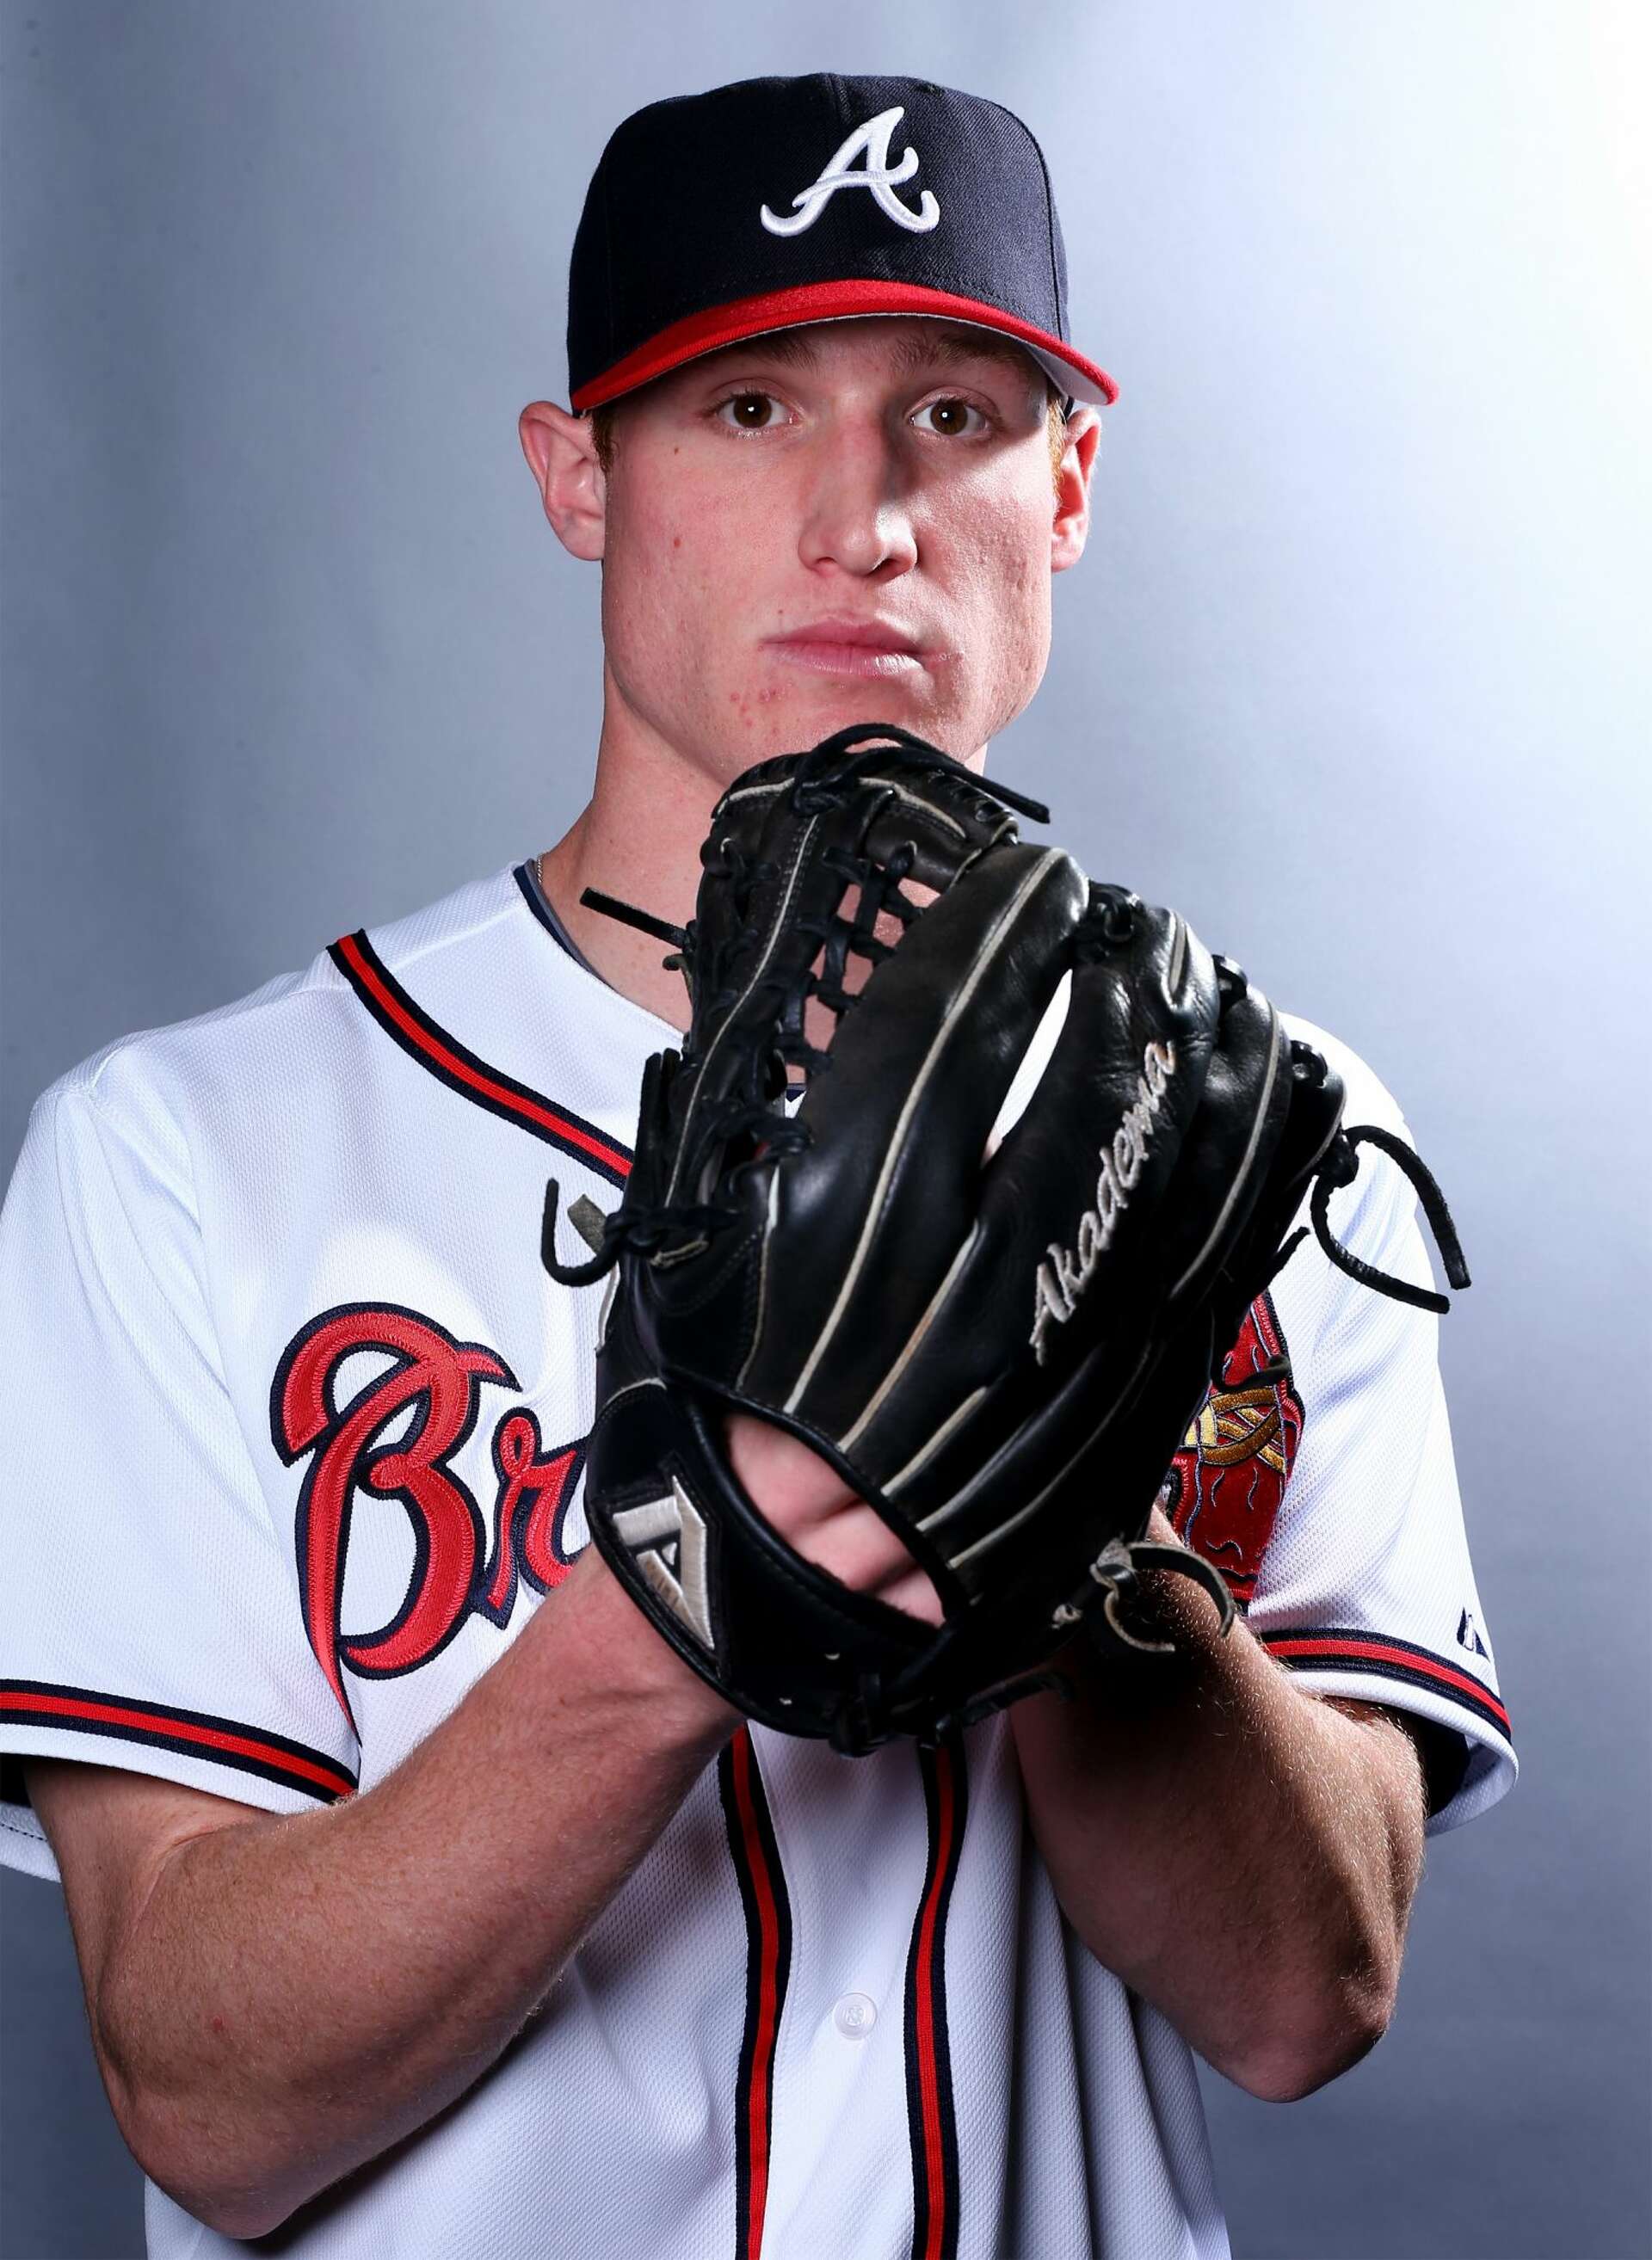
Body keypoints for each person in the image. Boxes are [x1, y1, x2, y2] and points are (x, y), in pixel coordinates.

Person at [0, 72, 1515, 2259]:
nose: (864, 515)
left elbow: (1303, 1997)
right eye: (742, 408)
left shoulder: (1259, 1149)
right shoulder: (184, 1159)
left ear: (1067, 487)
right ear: (577, 479)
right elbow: (207, 2097)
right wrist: (705, 1585)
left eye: (958, 412)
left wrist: (1085, 1543)